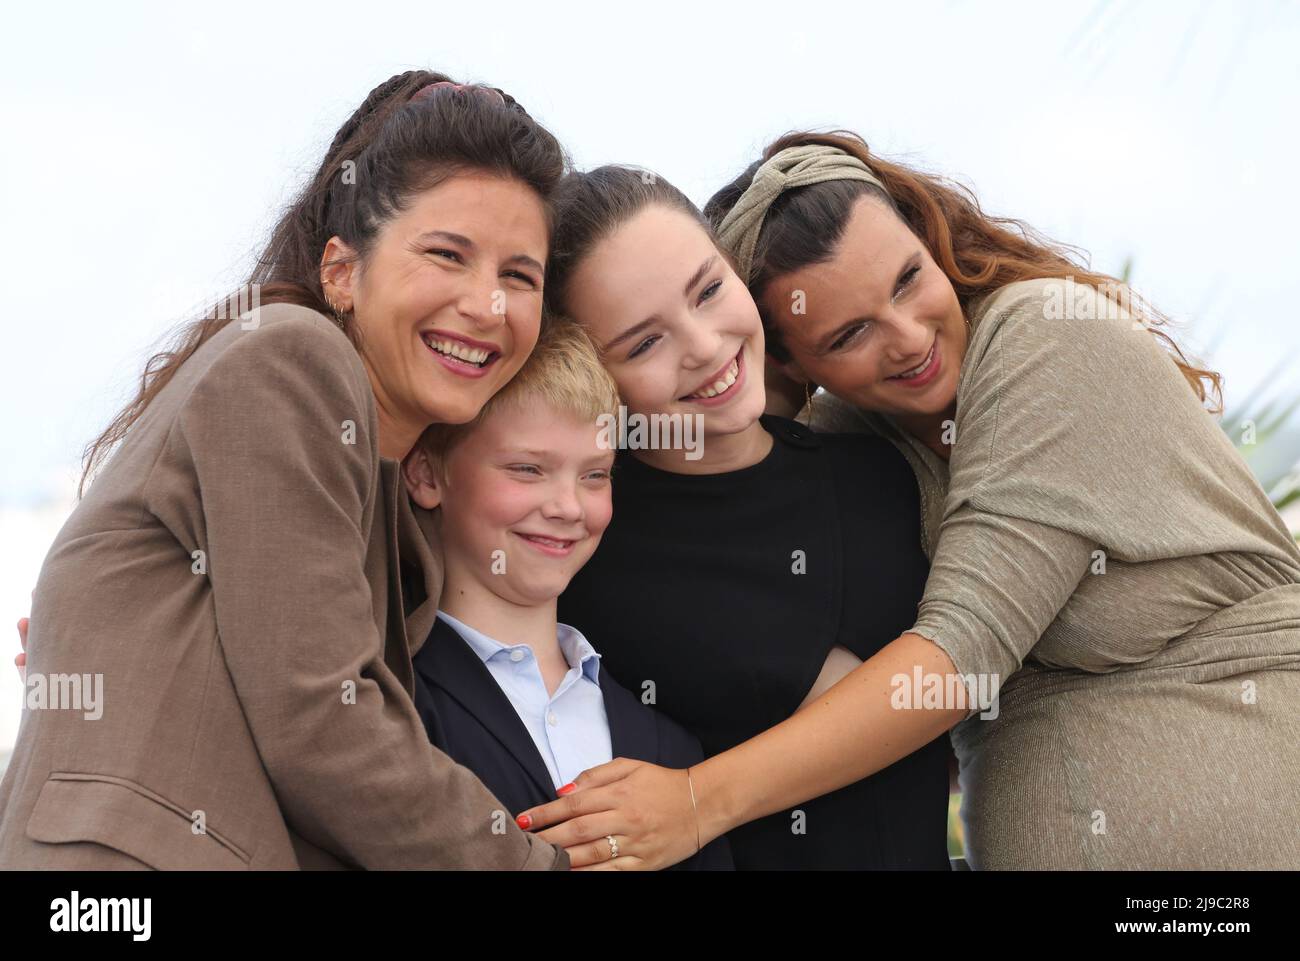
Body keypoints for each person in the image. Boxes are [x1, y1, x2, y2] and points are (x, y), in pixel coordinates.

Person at [518, 134, 1300, 871]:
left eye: (909, 278)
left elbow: (963, 650)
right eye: (850, 330)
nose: (907, 338)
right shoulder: (863, 441)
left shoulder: (1046, 344)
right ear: (803, 360)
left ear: (933, 239)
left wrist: (696, 799)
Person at [0, 70, 570, 870]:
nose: (490, 305)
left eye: (521, 275)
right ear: (341, 270)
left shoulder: (388, 489)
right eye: (448, 254)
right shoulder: (292, 358)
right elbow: (322, 723)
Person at [547, 166, 953, 869]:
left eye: (708, 290)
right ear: (593, 373)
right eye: (644, 343)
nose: (704, 346)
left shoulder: (879, 474)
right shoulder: (587, 559)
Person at [401, 322, 732, 869]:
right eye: (528, 469)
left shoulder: (670, 747)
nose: (568, 508)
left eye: (595, 475)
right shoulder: (390, 698)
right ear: (426, 473)